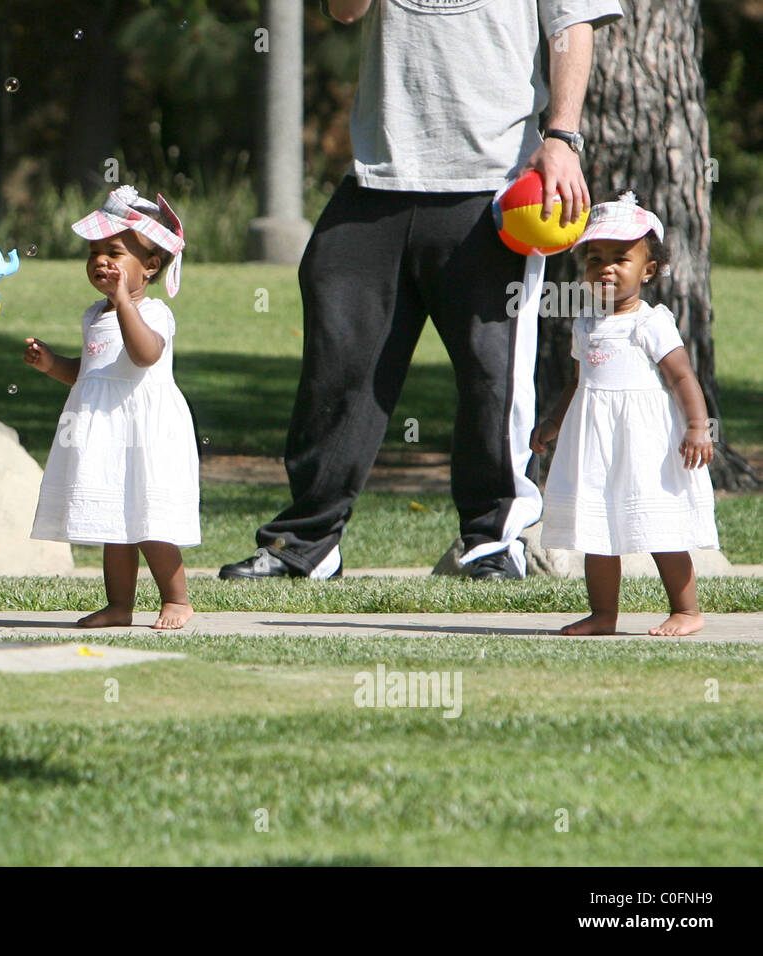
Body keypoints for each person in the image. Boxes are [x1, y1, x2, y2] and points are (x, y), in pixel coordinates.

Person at [221, 0, 623, 583]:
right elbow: (344, 11)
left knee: (492, 375)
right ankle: (307, 544)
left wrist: (562, 136)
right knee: (337, 364)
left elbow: (572, 25)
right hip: (377, 177)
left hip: (494, 184)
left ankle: (493, 541)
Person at [531, 192, 717, 636]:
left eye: (621, 258)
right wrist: (554, 422)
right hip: (594, 443)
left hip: (644, 445)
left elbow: (682, 378)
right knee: (598, 530)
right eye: (595, 259)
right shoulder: (585, 324)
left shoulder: (649, 322)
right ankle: (603, 614)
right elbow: (578, 384)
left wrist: (697, 426)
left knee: (660, 528)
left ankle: (686, 610)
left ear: (648, 269)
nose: (606, 268)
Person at [24, 186, 198, 629]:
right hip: (102, 433)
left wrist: (124, 303)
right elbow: (89, 375)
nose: (101, 260)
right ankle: (119, 605)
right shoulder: (92, 316)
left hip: (145, 434)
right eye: (95, 251)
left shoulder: (153, 314)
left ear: (151, 266)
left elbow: (145, 356)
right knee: (112, 525)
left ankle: (176, 599)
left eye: (115, 252)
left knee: (148, 521)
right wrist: (50, 364)